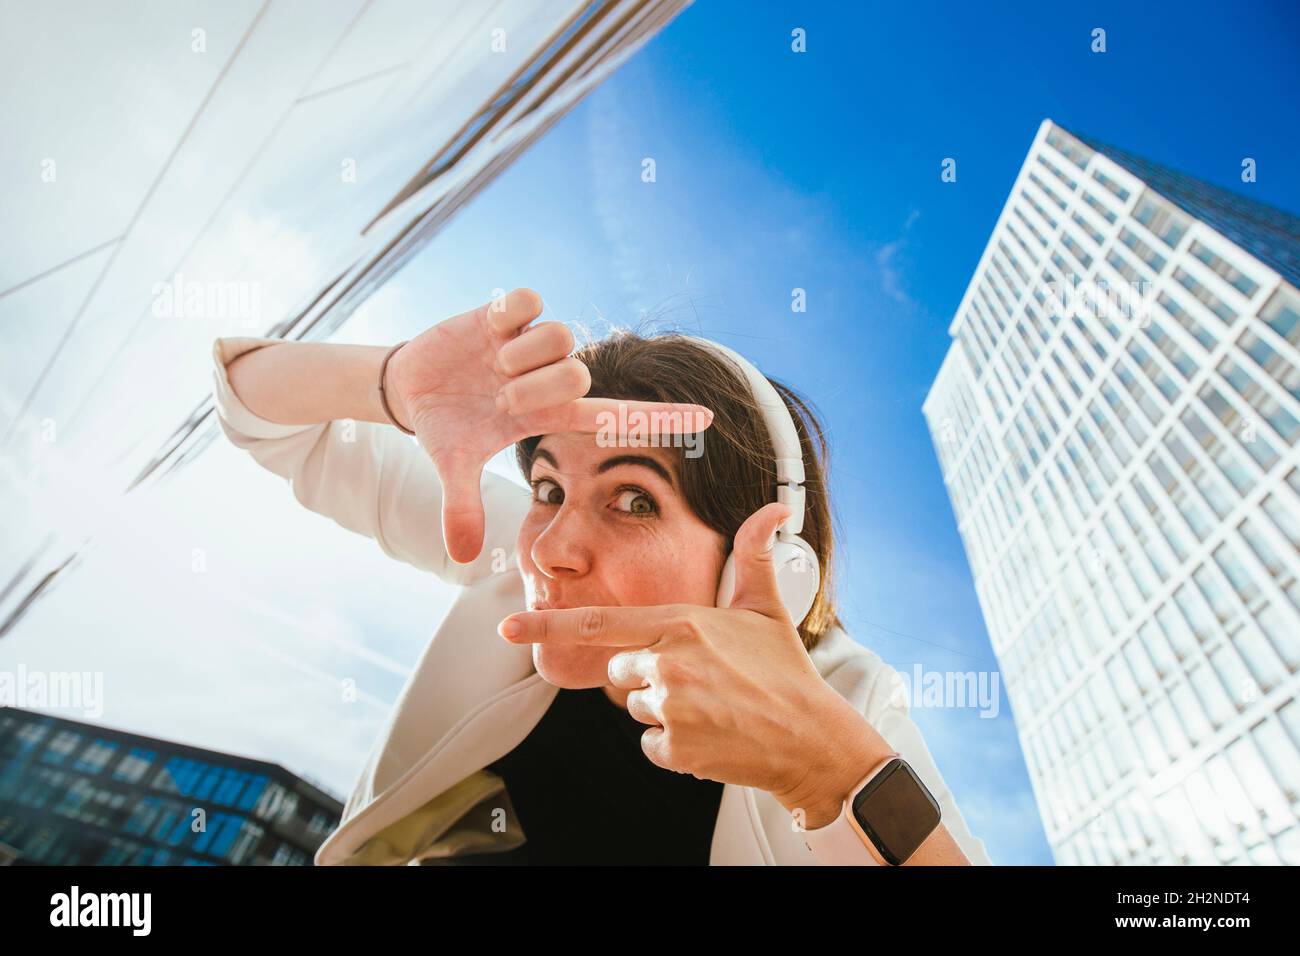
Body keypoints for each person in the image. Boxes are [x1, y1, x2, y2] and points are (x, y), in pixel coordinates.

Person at [210, 287, 993, 865]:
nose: (552, 547)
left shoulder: (849, 698)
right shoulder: (510, 572)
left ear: (772, 566)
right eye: (548, 488)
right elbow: (259, 413)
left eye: (632, 499)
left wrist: (828, 770)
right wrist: (390, 384)